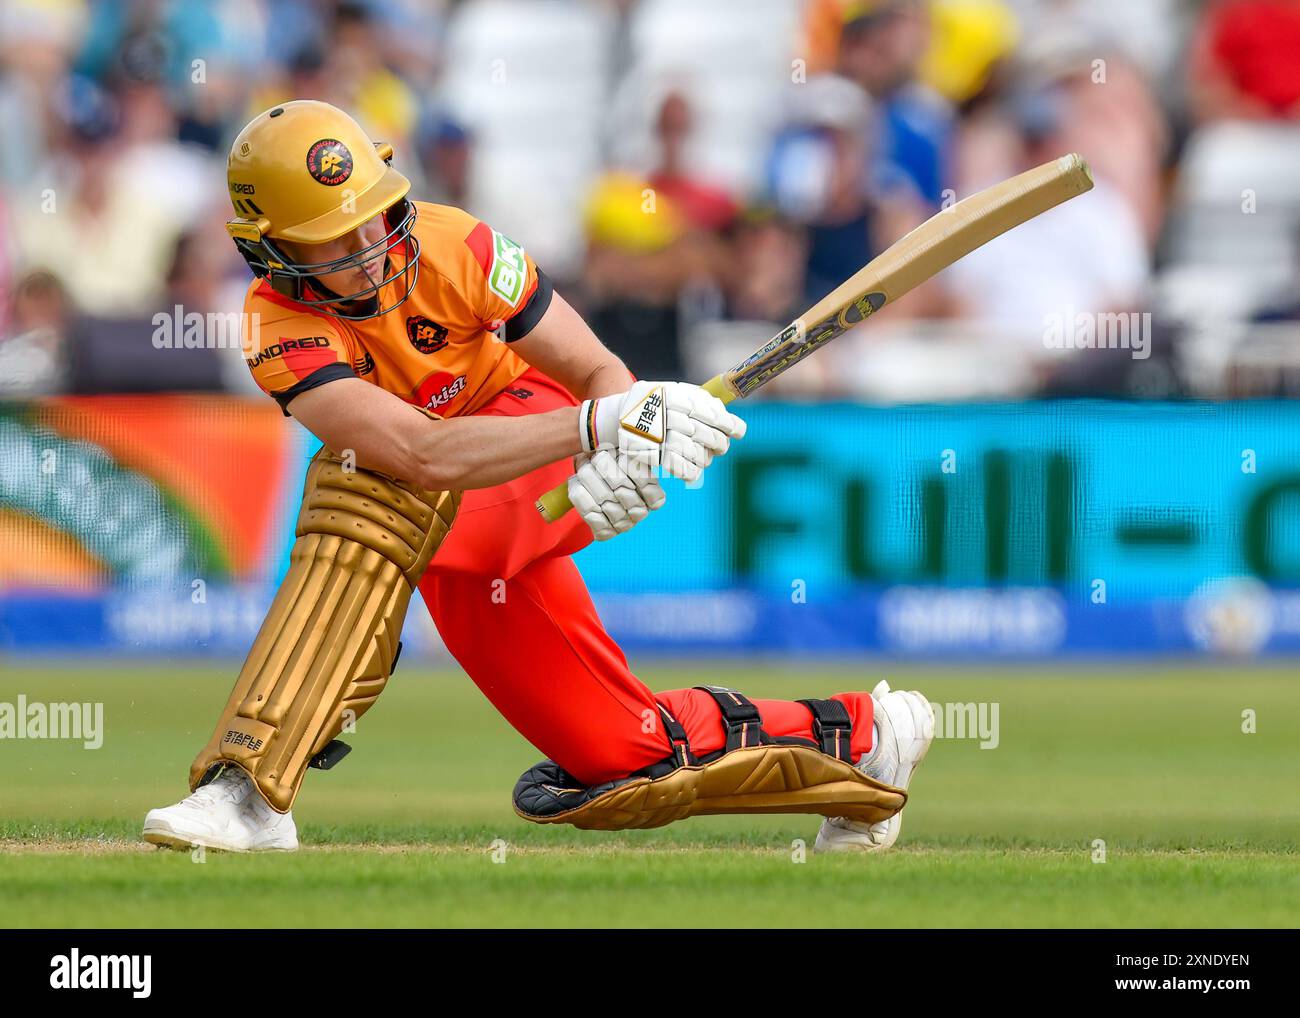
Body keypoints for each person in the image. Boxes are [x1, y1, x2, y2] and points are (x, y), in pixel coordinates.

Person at [141, 101, 934, 854]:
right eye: (333, 236)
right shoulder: (276, 325)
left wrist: (626, 439)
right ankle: (867, 740)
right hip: (453, 498)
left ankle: (249, 789)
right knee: (624, 758)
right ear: (269, 249)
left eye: (373, 216)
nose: (370, 246)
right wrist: (603, 427)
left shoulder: (463, 247)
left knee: (364, 492)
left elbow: (594, 368)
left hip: (531, 447)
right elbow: (418, 451)